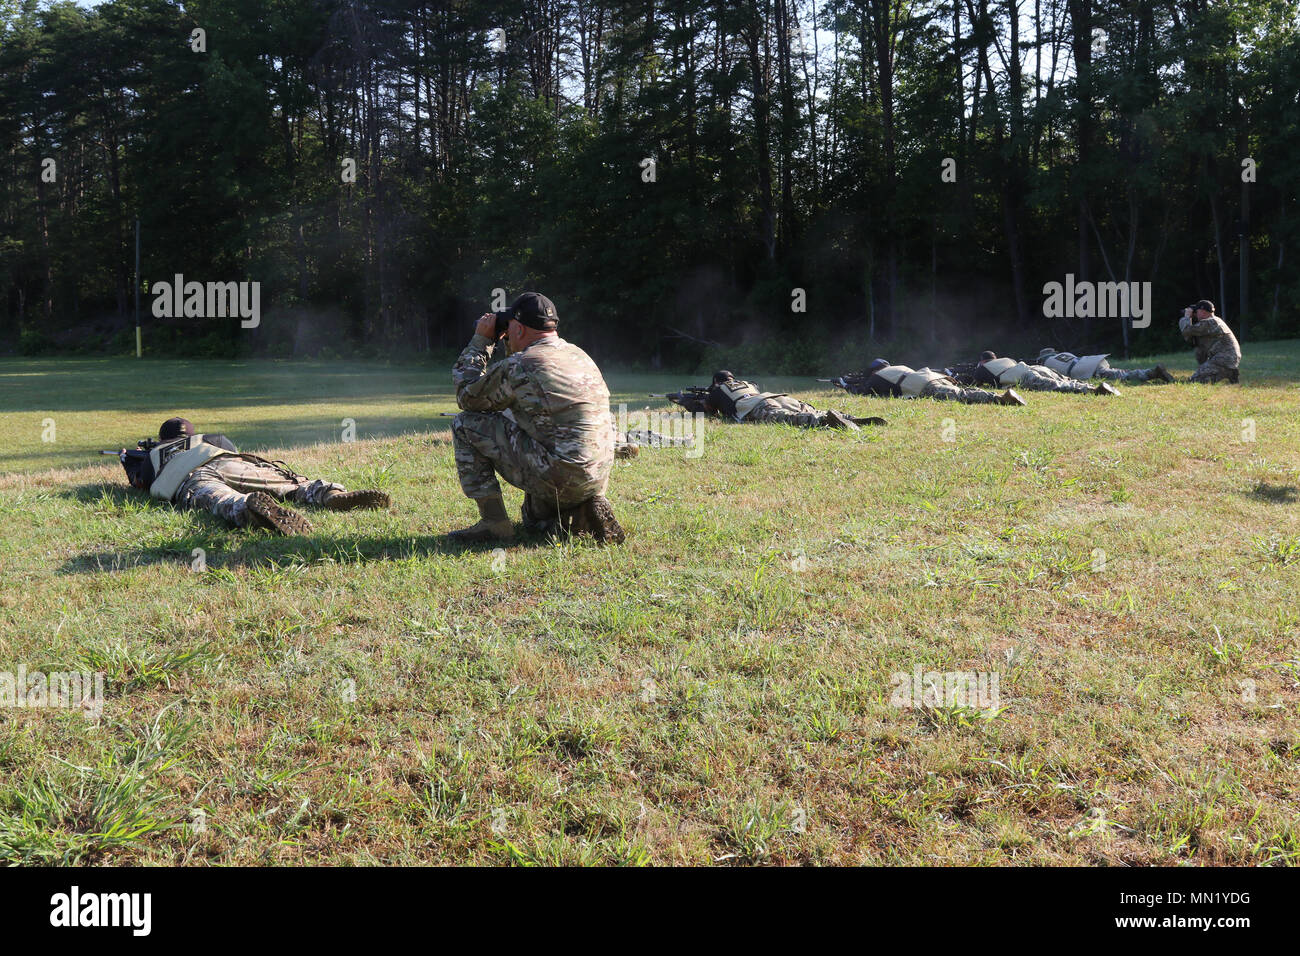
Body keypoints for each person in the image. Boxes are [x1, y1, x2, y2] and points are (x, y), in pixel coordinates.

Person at [449, 292, 624, 545]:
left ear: (518, 329)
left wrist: (481, 342)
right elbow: (518, 397)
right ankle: (580, 508)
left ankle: (493, 524)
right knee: (533, 517)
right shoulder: (579, 355)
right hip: (595, 476)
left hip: (561, 474)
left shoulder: (520, 365)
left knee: (465, 424)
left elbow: (467, 396)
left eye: (509, 329)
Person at [117, 417, 390, 535]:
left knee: (222, 500)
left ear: (163, 439)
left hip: (190, 479)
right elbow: (233, 450)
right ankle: (329, 494)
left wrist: (127, 460)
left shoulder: (153, 458)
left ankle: (247, 510)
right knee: (288, 483)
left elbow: (141, 483)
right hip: (225, 461)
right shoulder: (209, 438)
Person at [666, 371, 885, 428]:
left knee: (790, 420)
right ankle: (850, 417)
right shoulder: (747, 383)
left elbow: (706, 411)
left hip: (757, 406)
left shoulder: (717, 390)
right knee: (804, 409)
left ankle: (826, 422)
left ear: (715, 381)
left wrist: (683, 400)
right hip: (777, 397)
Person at [832, 359, 1025, 405]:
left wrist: (846, 386)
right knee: (963, 391)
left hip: (923, 385)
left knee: (961, 395)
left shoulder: (876, 377)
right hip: (932, 376)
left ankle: (999, 398)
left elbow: (863, 392)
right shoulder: (896, 368)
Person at [959, 352, 1120, 395]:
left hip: (1025, 376)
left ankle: (1092, 390)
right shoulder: (1006, 359)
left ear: (983, 361)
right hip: (1036, 369)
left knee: (1056, 386)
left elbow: (974, 383)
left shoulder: (983, 368)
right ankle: (1090, 386)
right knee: (1063, 379)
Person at [1179, 299, 1241, 383]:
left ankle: (1228, 372)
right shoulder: (1216, 321)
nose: (1195, 315)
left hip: (1223, 359)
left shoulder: (1209, 322)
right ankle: (1228, 372)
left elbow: (1186, 330)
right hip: (1227, 358)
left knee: (1195, 381)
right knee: (1199, 350)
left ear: (1202, 311)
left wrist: (1187, 317)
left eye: (1196, 312)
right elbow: (1197, 344)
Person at [1035, 348, 1173, 383]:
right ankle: (1148, 372)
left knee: (1122, 376)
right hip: (1090, 361)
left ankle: (1151, 373)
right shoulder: (1061, 354)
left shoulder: (1046, 364)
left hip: (1084, 370)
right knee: (1119, 372)